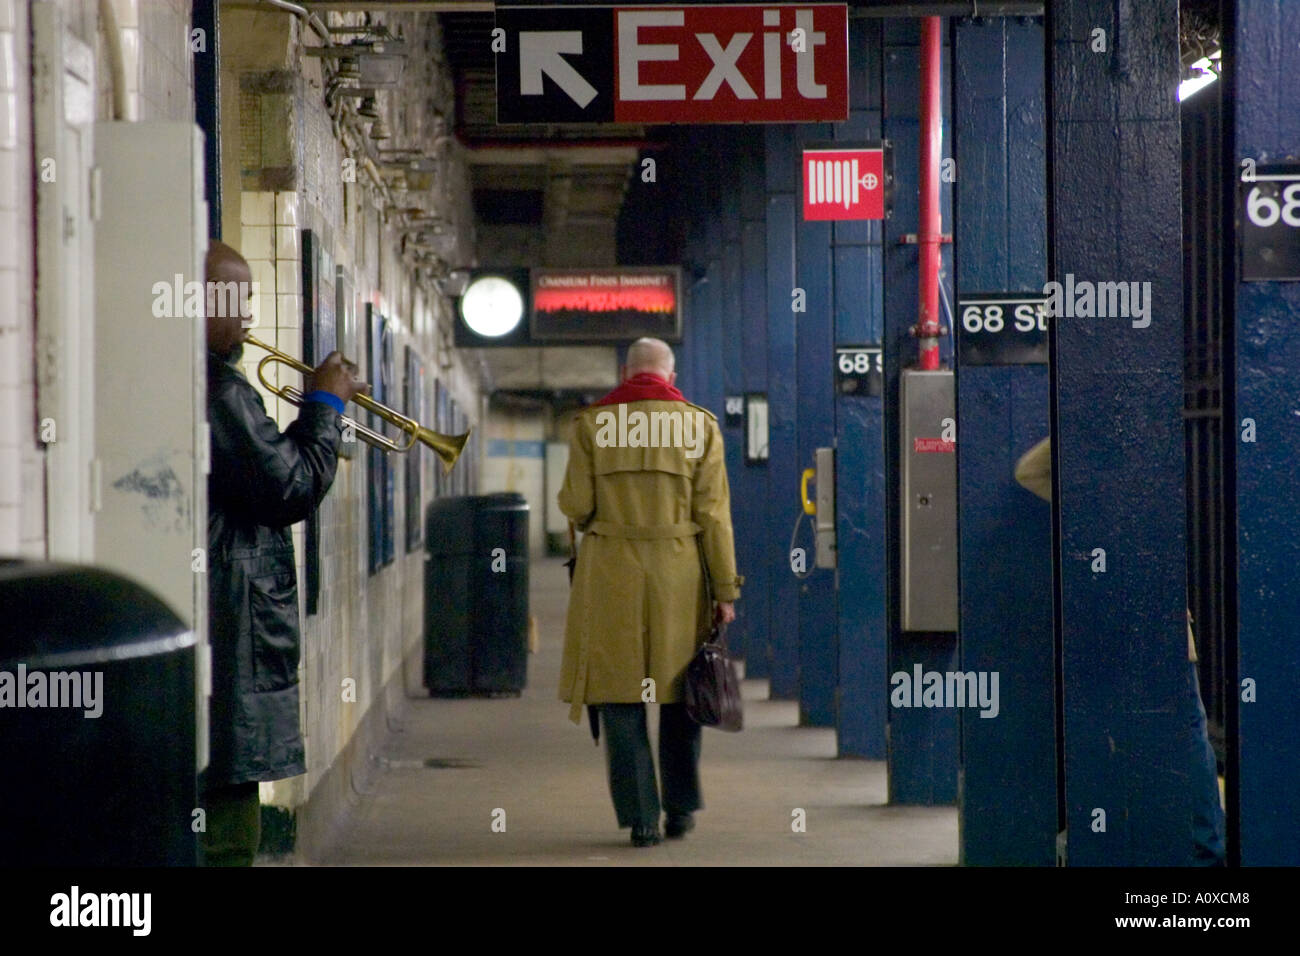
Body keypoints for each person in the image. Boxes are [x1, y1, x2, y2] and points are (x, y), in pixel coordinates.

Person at [201, 240, 367, 865]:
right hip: (233, 619)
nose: (249, 314)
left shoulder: (212, 383)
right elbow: (290, 487)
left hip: (224, 613)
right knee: (229, 821)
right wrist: (324, 406)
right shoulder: (220, 392)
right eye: (235, 298)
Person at [558, 337, 742, 847]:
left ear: (625, 372)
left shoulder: (590, 425)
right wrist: (725, 590)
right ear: (671, 376)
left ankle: (641, 818)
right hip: (680, 577)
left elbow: (576, 505)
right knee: (683, 694)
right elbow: (713, 517)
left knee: (620, 697)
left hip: (610, 574)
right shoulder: (699, 426)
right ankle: (680, 809)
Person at [1014, 437, 1225, 865]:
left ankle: (1202, 848)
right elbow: (1029, 472)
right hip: (1125, 636)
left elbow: (1030, 472)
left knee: (1183, 739)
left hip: (1147, 634)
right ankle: (1195, 847)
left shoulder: (1122, 492)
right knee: (1181, 738)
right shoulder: (1095, 494)